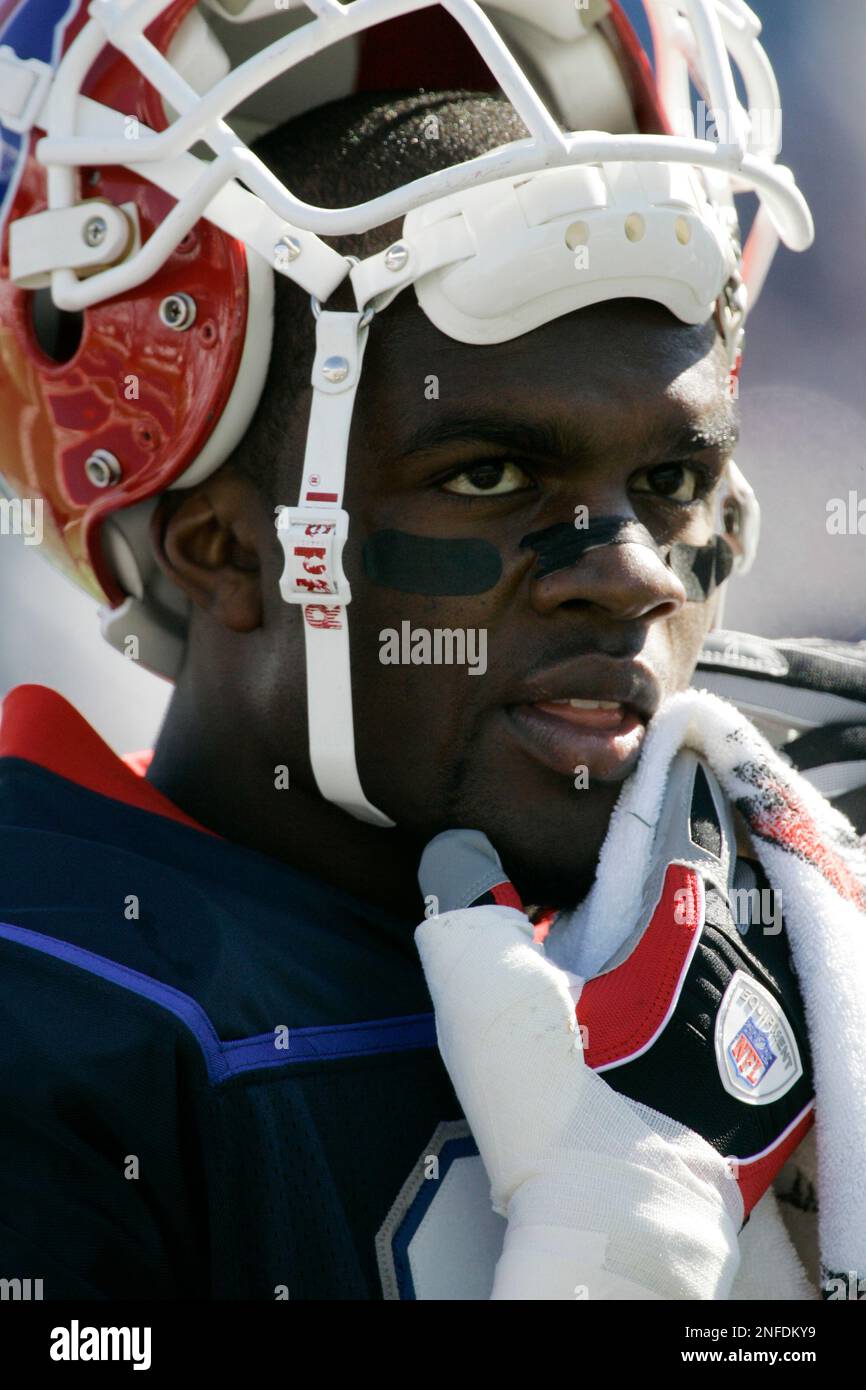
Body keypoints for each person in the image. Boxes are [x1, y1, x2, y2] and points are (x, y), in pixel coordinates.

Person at [1, 0, 864, 1301]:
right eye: (490, 472)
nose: (628, 569)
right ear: (219, 544)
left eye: (674, 476)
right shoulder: (63, 999)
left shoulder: (790, 896)